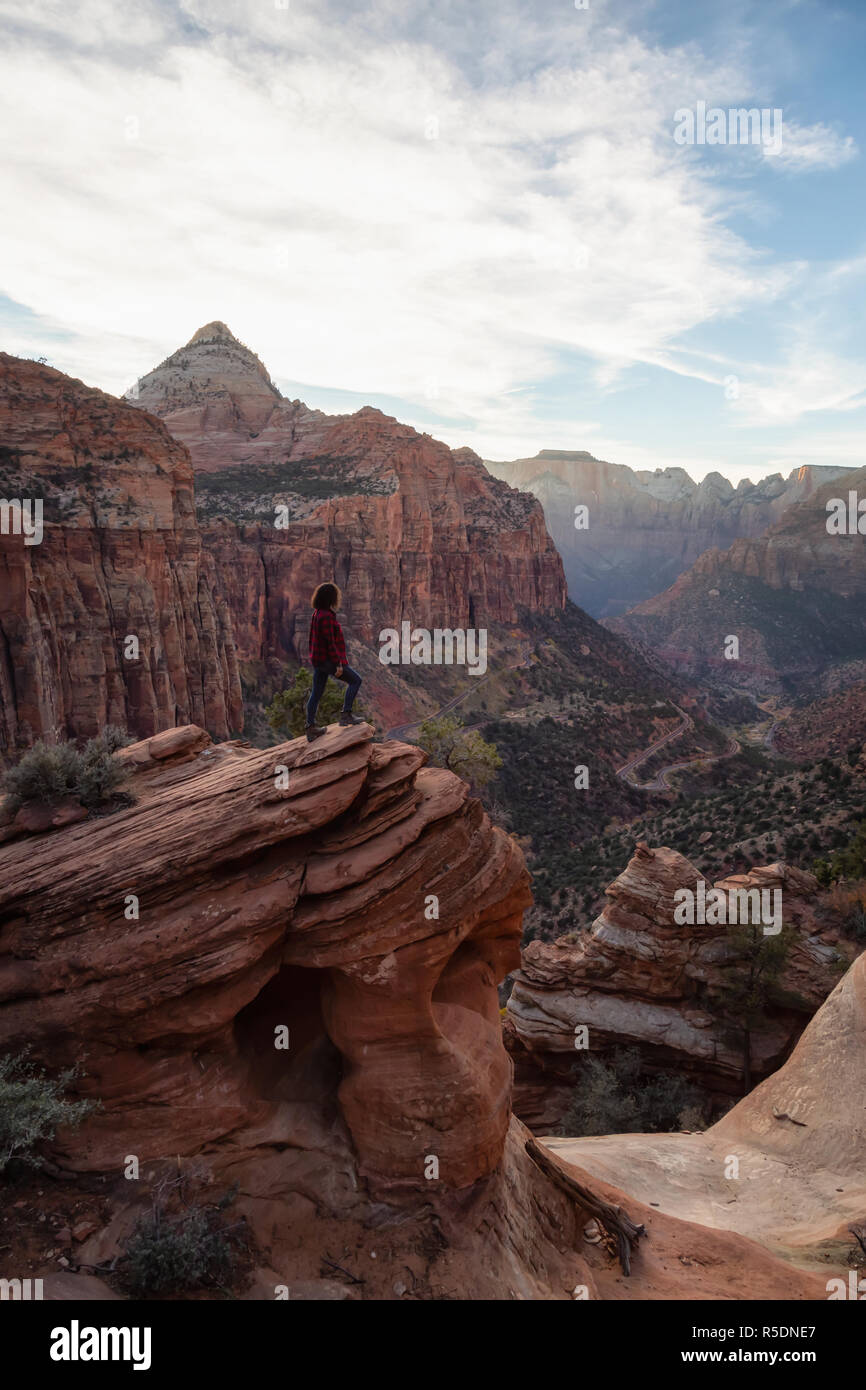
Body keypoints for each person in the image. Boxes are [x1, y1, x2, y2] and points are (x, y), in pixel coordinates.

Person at [305, 582, 363, 741]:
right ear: (330, 597)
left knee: (316, 693)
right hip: (328, 661)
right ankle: (346, 715)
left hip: (318, 661)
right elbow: (330, 643)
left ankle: (310, 728)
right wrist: (338, 664)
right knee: (356, 681)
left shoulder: (317, 613)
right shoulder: (326, 617)